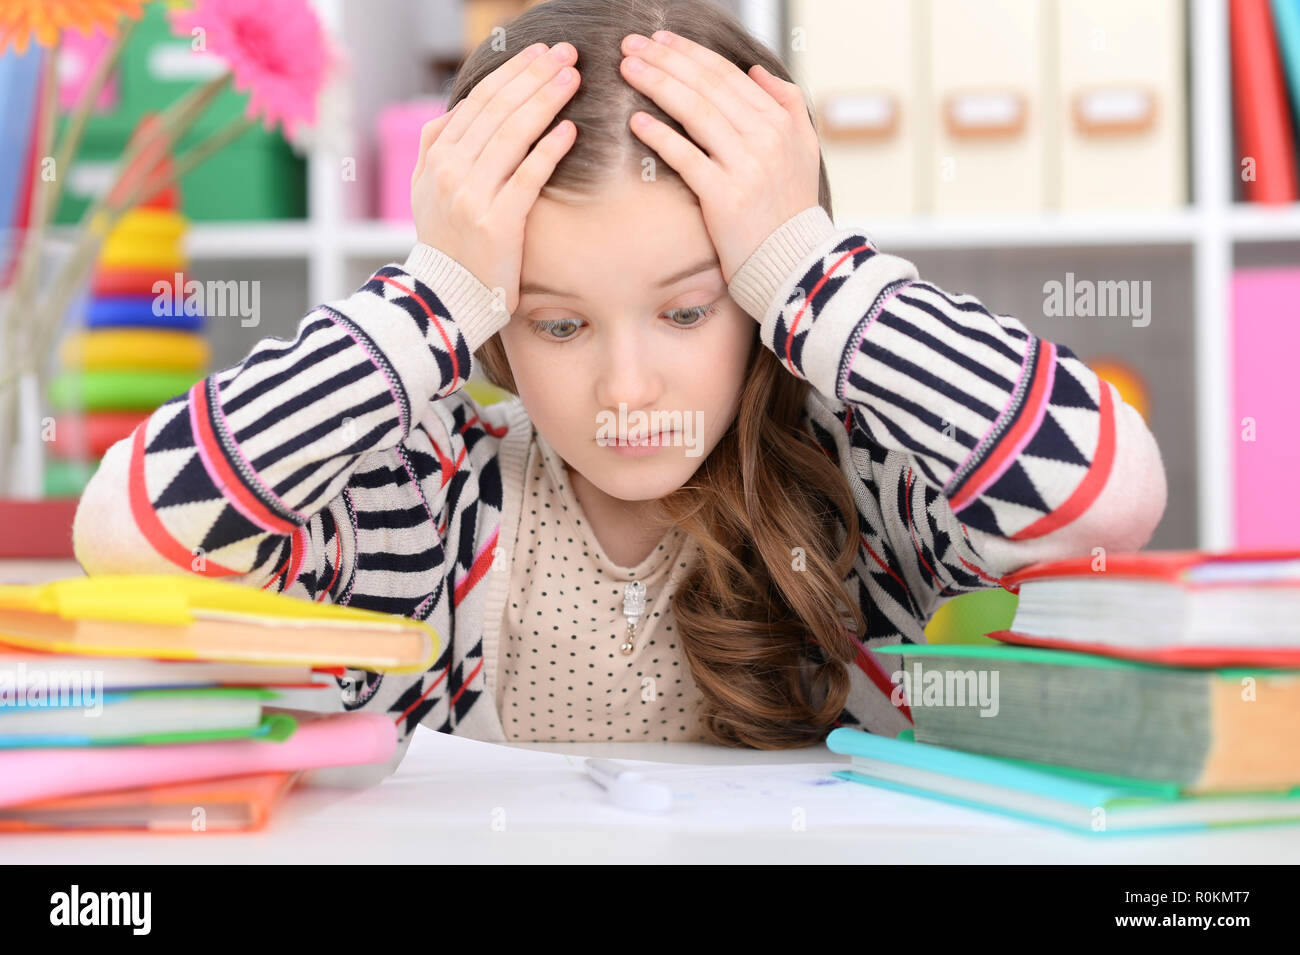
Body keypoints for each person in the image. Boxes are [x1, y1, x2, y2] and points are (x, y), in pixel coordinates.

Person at [72, 0, 1167, 774]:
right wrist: (430, 298)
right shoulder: (427, 492)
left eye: (688, 310)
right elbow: (137, 536)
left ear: (760, 305)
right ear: (495, 323)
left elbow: (1102, 502)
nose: (628, 385)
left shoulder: (858, 479)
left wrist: (809, 271)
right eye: (558, 323)